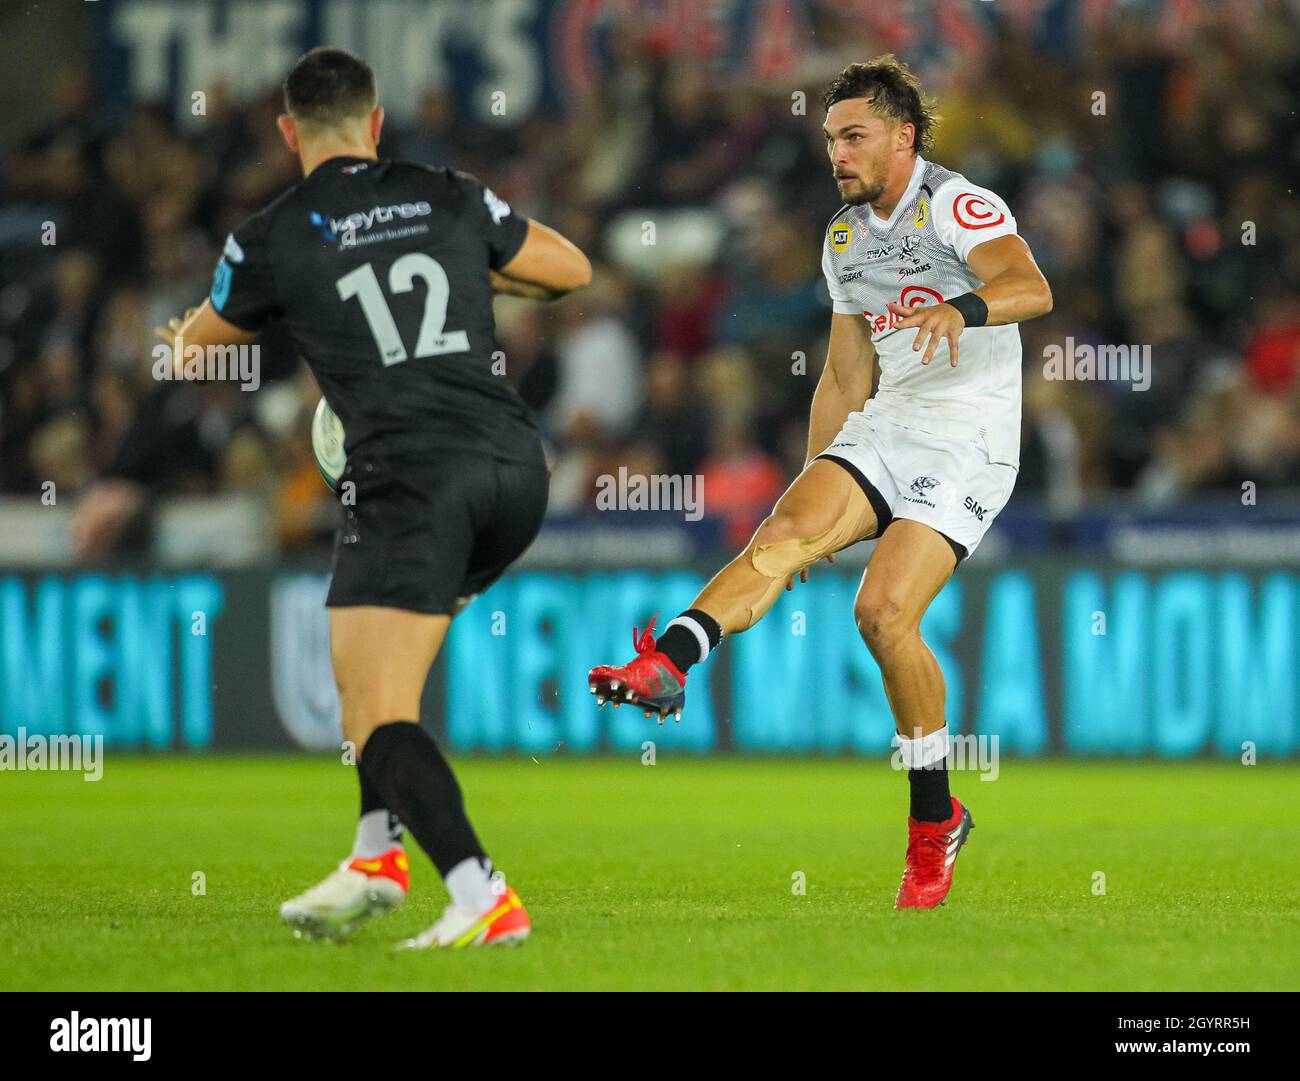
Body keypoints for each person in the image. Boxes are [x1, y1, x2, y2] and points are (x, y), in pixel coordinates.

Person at [588, 55, 1052, 910]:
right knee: (778, 535)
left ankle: (933, 821)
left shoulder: (957, 202)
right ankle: (669, 660)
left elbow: (1031, 284)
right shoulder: (843, 238)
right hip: (890, 420)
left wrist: (964, 307)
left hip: (970, 439)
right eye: (830, 138)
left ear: (903, 135)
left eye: (853, 135)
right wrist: (814, 493)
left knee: (881, 613)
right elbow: (843, 380)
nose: (836, 152)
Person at [160, 47, 590, 947]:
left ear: (288, 132)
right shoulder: (448, 193)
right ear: (377, 122)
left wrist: (181, 334)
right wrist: (478, 270)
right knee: (386, 682)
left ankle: (480, 893)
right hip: (516, 470)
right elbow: (570, 270)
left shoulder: (273, 235)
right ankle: (372, 855)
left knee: (373, 711)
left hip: (413, 477)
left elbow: (195, 354)